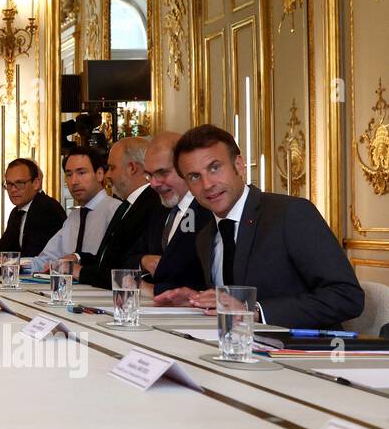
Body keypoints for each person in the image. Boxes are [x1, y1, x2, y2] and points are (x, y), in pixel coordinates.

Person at [155, 125, 364, 328]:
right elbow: (231, 305)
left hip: (305, 351)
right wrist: (197, 300)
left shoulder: (290, 214)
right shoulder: (205, 235)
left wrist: (255, 311)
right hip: (240, 350)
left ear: (239, 165)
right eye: (194, 177)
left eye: (215, 168)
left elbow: (347, 296)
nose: (207, 184)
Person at [74, 137, 160, 287]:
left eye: (112, 168)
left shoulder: (153, 204)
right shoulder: (127, 205)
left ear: (132, 168)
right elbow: (110, 258)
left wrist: (80, 272)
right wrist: (79, 258)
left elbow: (126, 264)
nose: (108, 176)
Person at [26, 147, 121, 274]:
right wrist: (9, 263)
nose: (74, 181)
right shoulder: (73, 217)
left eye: (81, 173)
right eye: (69, 174)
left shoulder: (116, 211)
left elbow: (116, 263)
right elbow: (45, 260)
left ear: (99, 174)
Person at [138, 131, 208, 295]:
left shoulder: (208, 209)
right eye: (149, 175)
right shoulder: (158, 209)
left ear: (185, 168)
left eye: (162, 173)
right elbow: (131, 254)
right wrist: (143, 260)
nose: (154, 183)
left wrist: (153, 289)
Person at [0, 158, 65, 260]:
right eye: (9, 184)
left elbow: (32, 258)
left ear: (36, 183)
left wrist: (1, 260)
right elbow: (1, 251)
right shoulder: (17, 212)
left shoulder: (47, 209)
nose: (13, 190)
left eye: (19, 183)